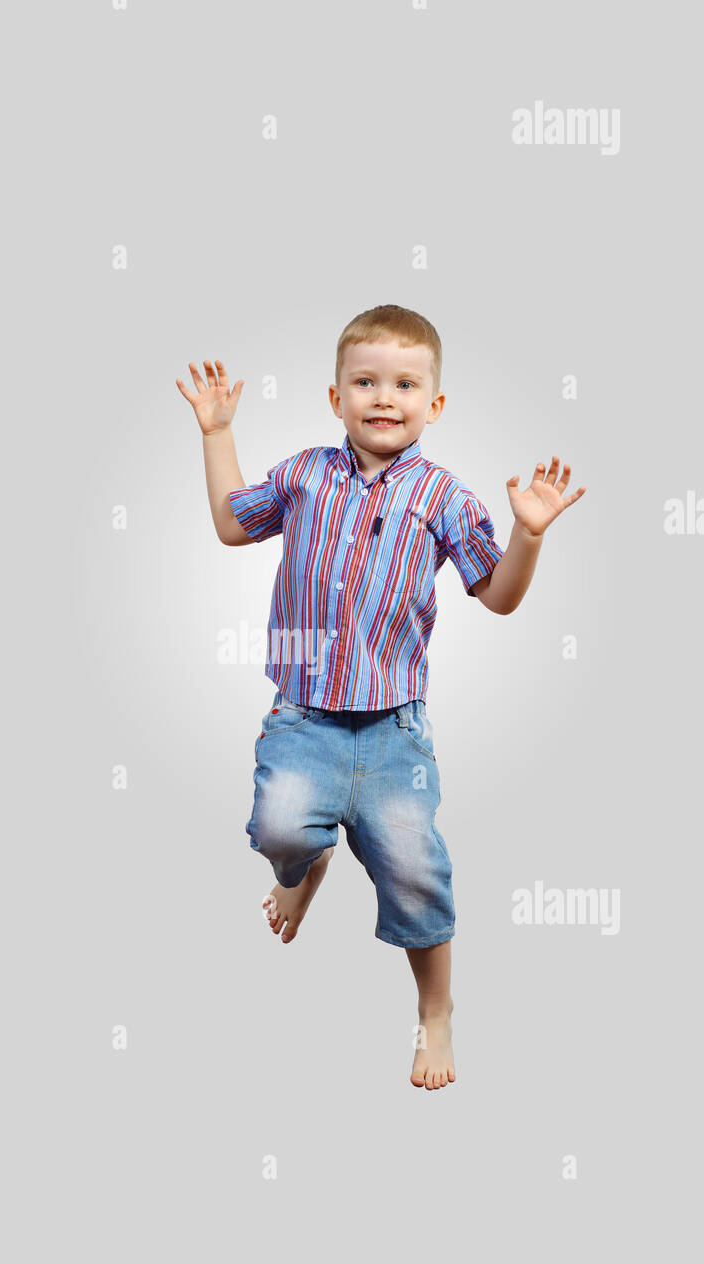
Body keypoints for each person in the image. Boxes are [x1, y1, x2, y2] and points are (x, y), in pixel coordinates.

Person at [176, 304, 585, 1090]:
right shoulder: (304, 475)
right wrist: (215, 433)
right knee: (279, 830)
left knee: (413, 872)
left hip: (395, 730)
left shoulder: (444, 499)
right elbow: (233, 527)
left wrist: (527, 534)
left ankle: (434, 1014)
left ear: (434, 404)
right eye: (365, 382)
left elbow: (496, 598)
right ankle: (305, 870)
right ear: (336, 398)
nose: (384, 397)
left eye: (405, 384)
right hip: (304, 718)